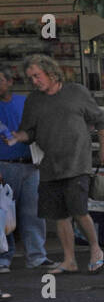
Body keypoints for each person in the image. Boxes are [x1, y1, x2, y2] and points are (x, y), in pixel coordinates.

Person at [5, 54, 104, 274]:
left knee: (79, 210)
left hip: (76, 163)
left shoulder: (76, 92)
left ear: (51, 72)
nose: (34, 81)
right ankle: (69, 259)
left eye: (36, 75)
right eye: (30, 77)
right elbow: (29, 131)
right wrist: (16, 137)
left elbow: (100, 119)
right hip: (50, 164)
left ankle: (95, 249)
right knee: (60, 215)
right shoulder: (34, 100)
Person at [0, 67, 48, 272]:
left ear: (10, 82)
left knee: (34, 213)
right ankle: (4, 258)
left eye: (1, 80)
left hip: (30, 163)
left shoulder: (25, 102)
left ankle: (36, 256)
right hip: (4, 165)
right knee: (4, 214)